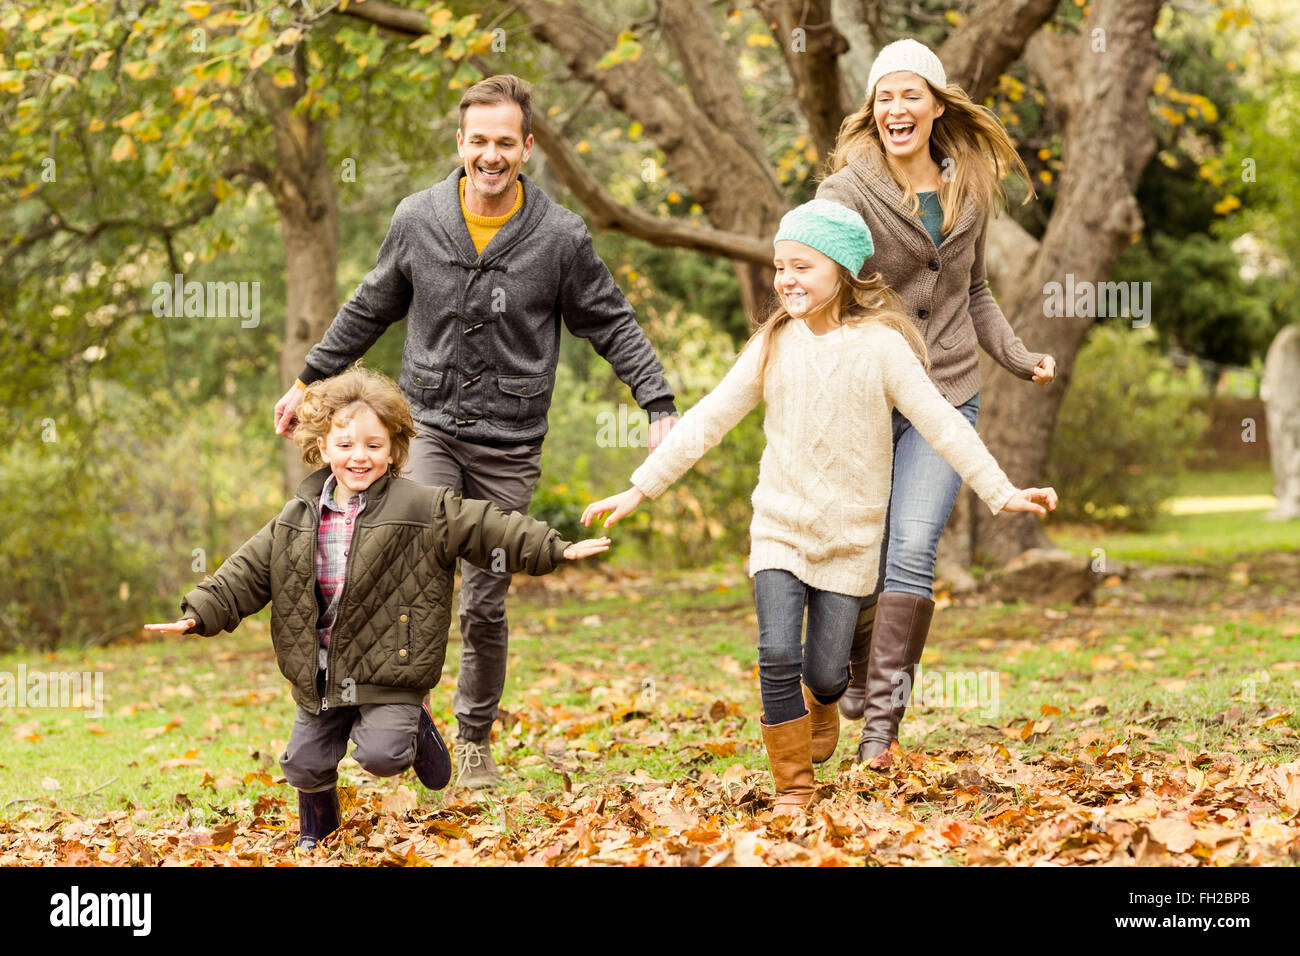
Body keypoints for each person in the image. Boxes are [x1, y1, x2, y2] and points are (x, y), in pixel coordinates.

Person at [270, 74, 678, 789]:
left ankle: (475, 735)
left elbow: (609, 321)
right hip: (426, 428)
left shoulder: (558, 237)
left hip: (510, 444)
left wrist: (658, 403)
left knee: (486, 598)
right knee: (404, 567)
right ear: (462, 144)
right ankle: (403, 709)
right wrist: (309, 378)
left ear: (527, 148)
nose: (491, 155)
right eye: (478, 141)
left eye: (505, 143)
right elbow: (371, 305)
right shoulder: (418, 218)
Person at [580, 200, 1057, 810]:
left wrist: (1003, 491)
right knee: (777, 652)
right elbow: (707, 421)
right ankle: (794, 789)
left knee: (827, 675)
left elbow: (943, 424)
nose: (786, 280)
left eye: (801, 266)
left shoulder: (883, 349)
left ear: (842, 271)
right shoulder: (773, 343)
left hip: (852, 543)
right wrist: (640, 486)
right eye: (781, 267)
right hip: (779, 528)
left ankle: (825, 700)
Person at [147, 367, 610, 849]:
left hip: (393, 668)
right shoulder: (296, 516)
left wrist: (554, 547)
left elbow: (486, 527)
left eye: (373, 445)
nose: (359, 457)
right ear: (323, 448)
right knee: (304, 763)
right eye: (345, 445)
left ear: (393, 449)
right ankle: (318, 833)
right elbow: (244, 573)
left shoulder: (424, 508)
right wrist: (199, 612)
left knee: (383, 757)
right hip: (320, 672)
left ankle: (415, 723)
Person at [815, 38, 1058, 768]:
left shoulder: (969, 188)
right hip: (866, 396)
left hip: (948, 395)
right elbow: (823, 291)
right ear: (872, 110)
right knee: (861, 552)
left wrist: (1018, 358)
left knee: (914, 548)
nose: (897, 108)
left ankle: (880, 734)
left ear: (935, 105)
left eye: (910, 94)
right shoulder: (845, 195)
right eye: (884, 97)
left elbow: (974, 292)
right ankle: (851, 665)